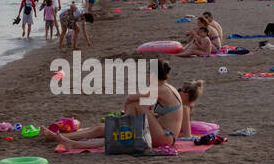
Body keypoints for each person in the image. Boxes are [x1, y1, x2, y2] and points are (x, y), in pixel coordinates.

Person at [51, 61, 186, 149]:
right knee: (100, 128)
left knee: (133, 108)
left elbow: (131, 98)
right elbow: (150, 105)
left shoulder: (160, 89)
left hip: (165, 137)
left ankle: (72, 142)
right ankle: (66, 139)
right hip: (163, 133)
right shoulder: (166, 88)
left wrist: (128, 107)